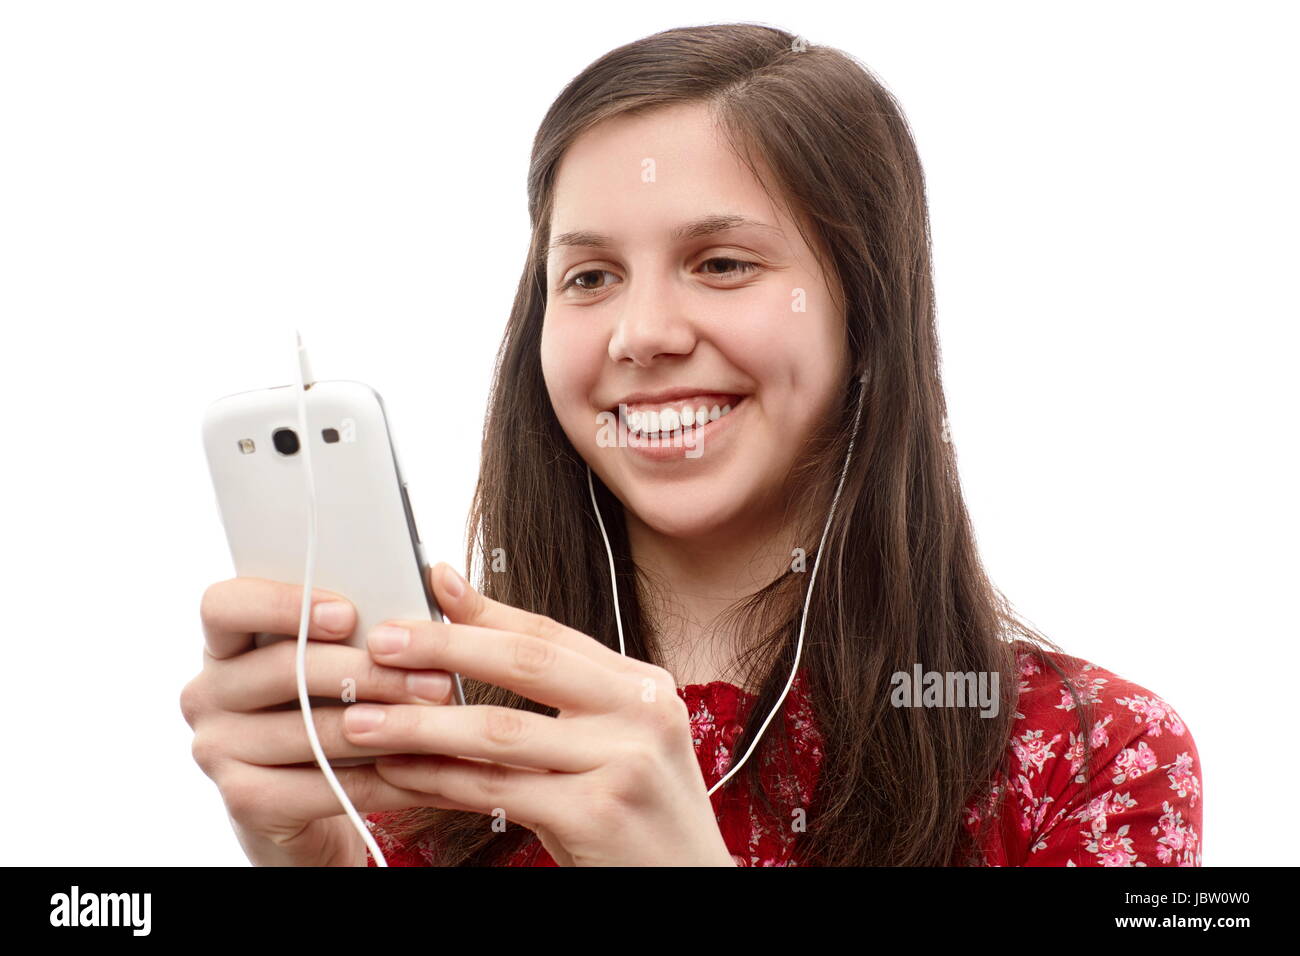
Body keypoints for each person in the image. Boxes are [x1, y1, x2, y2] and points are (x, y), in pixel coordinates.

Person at [183, 23, 1201, 867]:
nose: (641, 333)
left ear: (864, 313)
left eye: (718, 262)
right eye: (587, 277)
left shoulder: (1095, 757)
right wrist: (307, 862)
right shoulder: (433, 758)